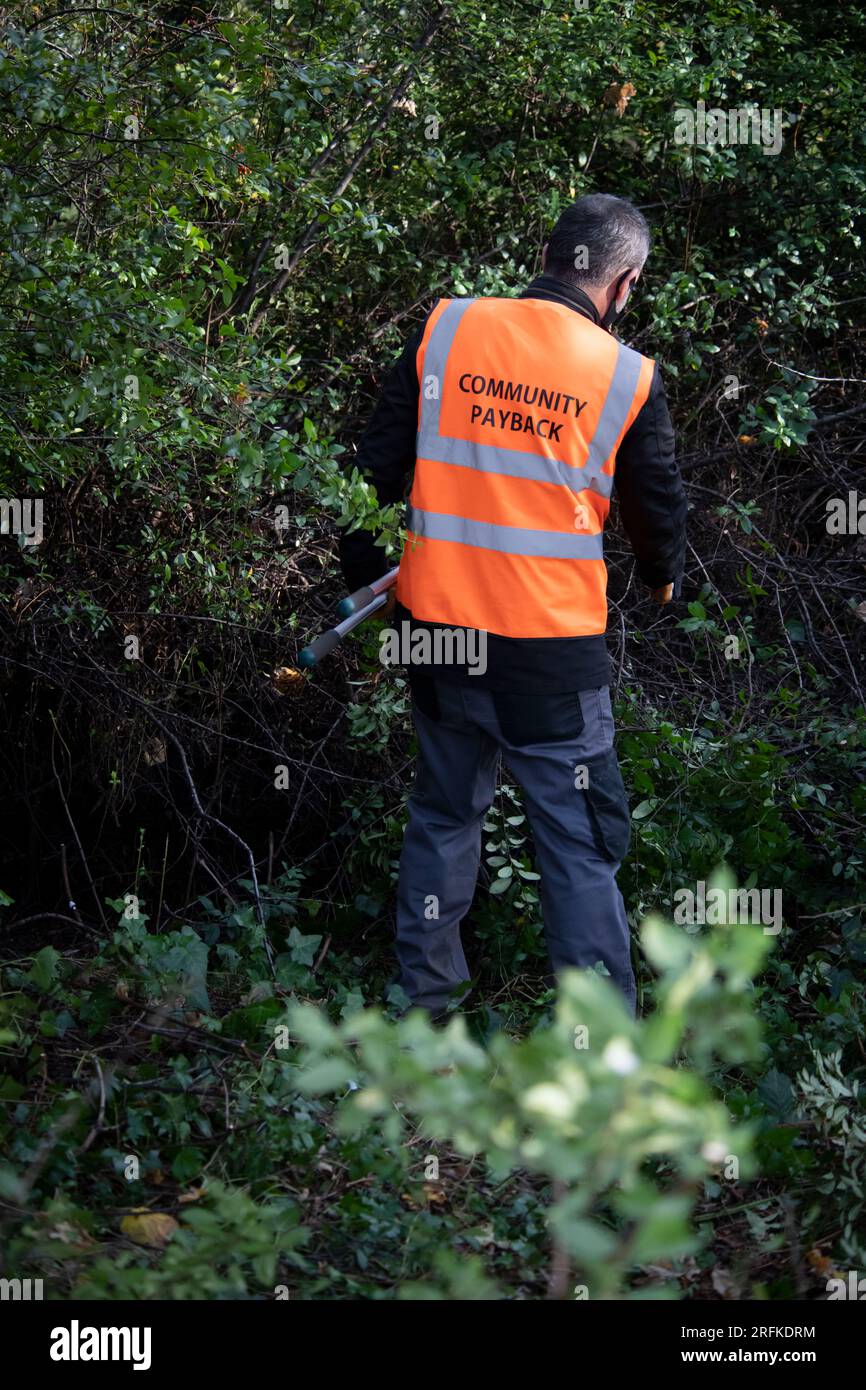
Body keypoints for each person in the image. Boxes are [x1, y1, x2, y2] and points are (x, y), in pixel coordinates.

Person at [339, 192, 687, 1020]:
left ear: (548, 251)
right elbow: (656, 510)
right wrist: (661, 576)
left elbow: (372, 471)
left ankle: (429, 1012)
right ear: (625, 283)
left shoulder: (450, 326)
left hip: (434, 637)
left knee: (444, 815)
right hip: (546, 661)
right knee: (577, 844)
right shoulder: (626, 376)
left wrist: (371, 573)